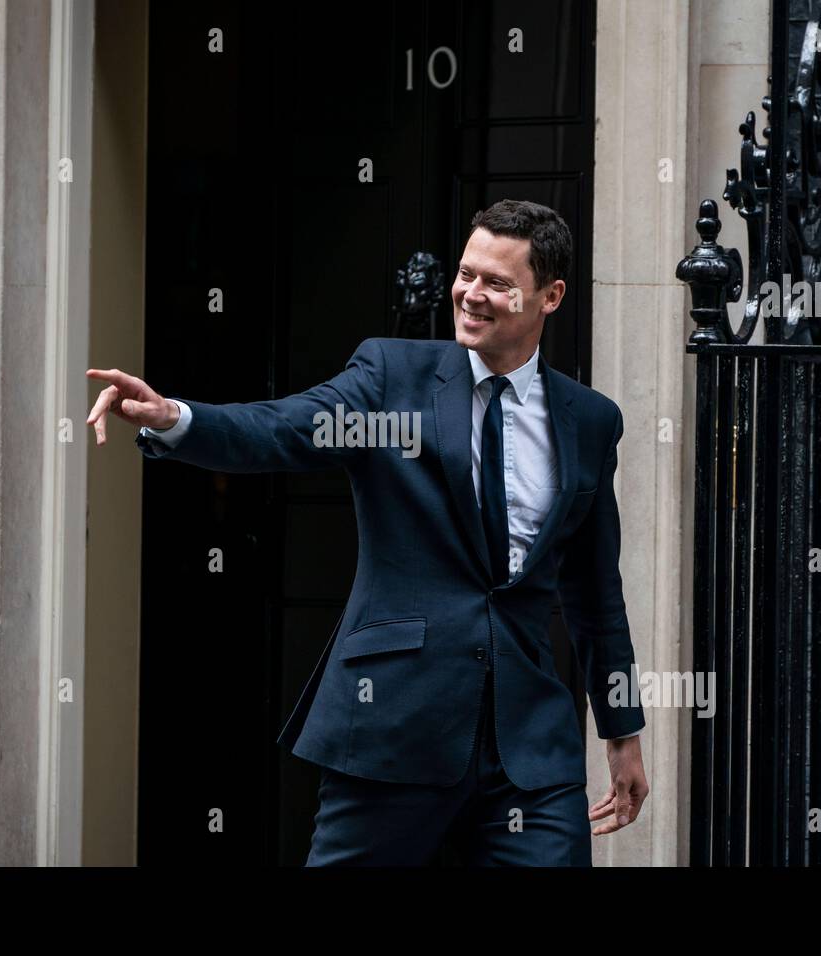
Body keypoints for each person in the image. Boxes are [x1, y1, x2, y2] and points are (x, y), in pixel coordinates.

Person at [87, 199, 649, 866]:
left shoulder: (589, 421)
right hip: (392, 723)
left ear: (549, 296)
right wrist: (174, 417)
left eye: (498, 283)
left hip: (528, 749)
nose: (471, 295)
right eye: (467, 273)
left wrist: (621, 731)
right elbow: (285, 427)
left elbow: (594, 592)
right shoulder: (392, 378)